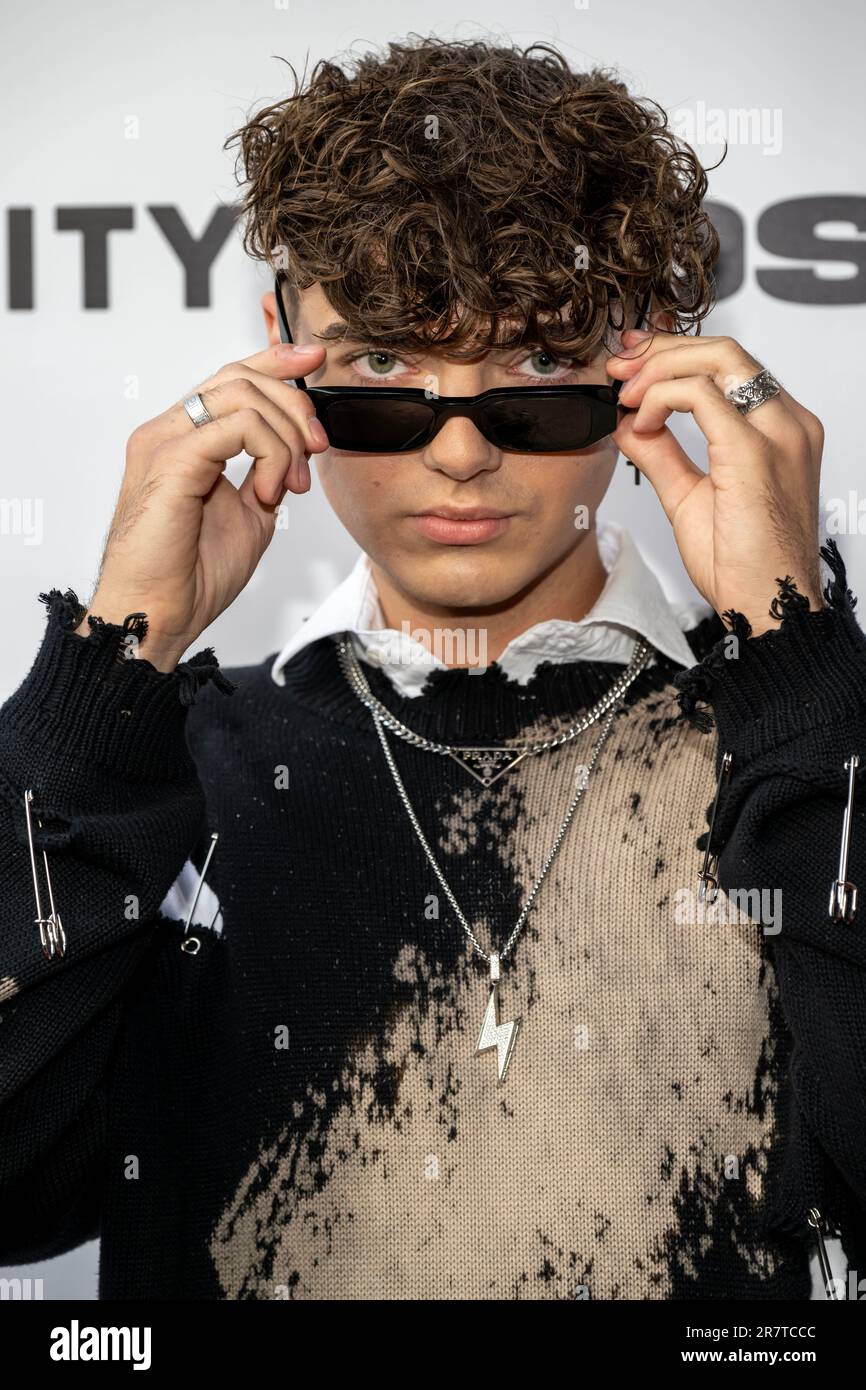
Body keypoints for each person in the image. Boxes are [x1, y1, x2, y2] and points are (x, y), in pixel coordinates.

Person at [1, 35, 864, 1302]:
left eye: (535, 367)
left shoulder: (799, 749)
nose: (458, 452)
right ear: (283, 355)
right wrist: (110, 667)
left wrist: (795, 654)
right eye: (385, 370)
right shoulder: (156, 759)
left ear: (649, 364)